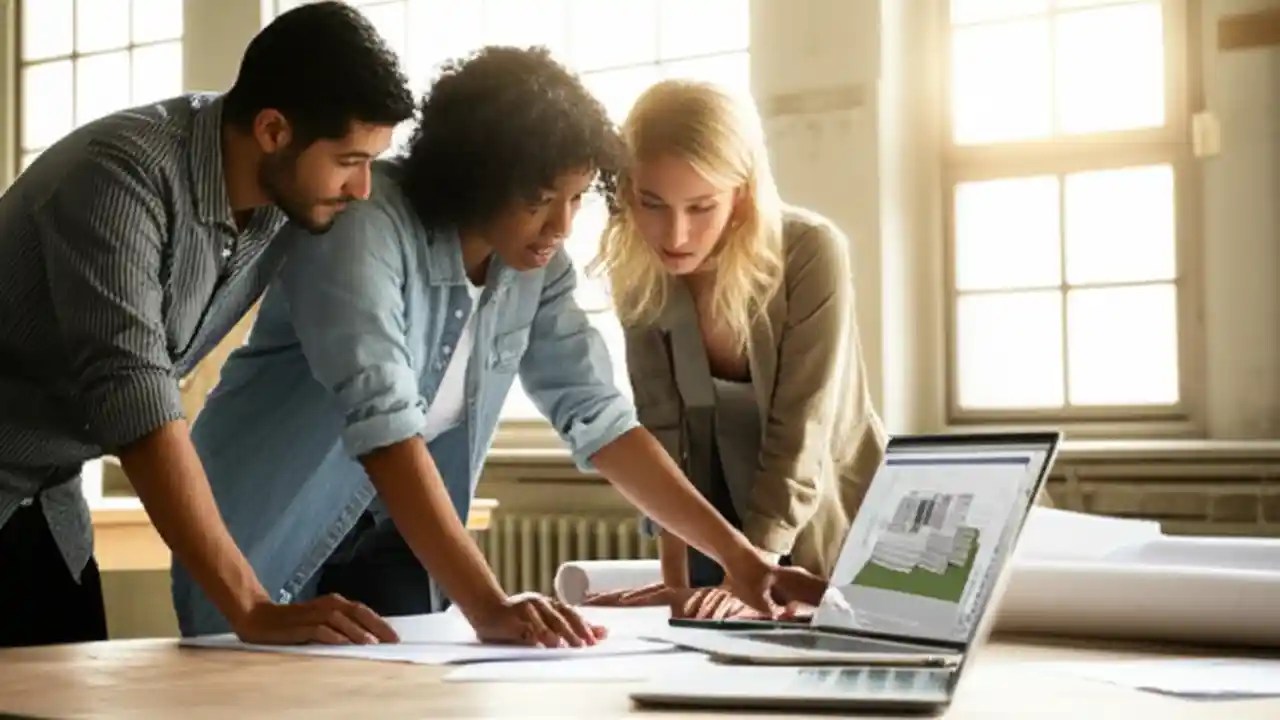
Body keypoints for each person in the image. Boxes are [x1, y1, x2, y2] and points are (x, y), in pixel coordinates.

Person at [172, 46, 807, 648]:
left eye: (577, 198)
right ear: (474, 178)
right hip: (270, 519)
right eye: (538, 201)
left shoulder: (536, 263)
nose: (561, 226)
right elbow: (383, 418)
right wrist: (490, 604)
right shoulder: (363, 223)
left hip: (400, 535)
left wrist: (741, 560)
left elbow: (600, 416)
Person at [0, 2, 415, 648]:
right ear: (274, 130)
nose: (363, 188)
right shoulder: (120, 179)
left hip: (49, 509)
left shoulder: (285, 202)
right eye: (349, 160)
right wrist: (250, 606)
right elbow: (135, 402)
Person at [591, 79, 888, 594]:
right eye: (652, 203)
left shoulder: (811, 252)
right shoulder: (640, 267)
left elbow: (803, 430)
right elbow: (662, 434)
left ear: (742, 195)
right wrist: (677, 586)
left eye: (701, 207)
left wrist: (756, 574)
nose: (675, 235)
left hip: (829, 524)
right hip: (718, 535)